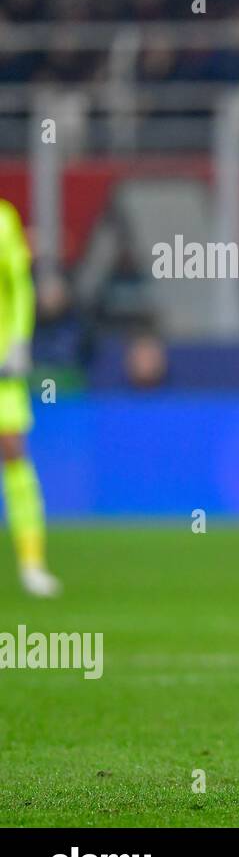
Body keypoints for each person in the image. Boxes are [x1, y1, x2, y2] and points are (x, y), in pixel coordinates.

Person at [0, 198, 60, 598]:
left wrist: (19, 340)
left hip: (1, 367)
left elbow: (19, 285)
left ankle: (32, 562)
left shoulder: (3, 220)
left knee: (13, 452)